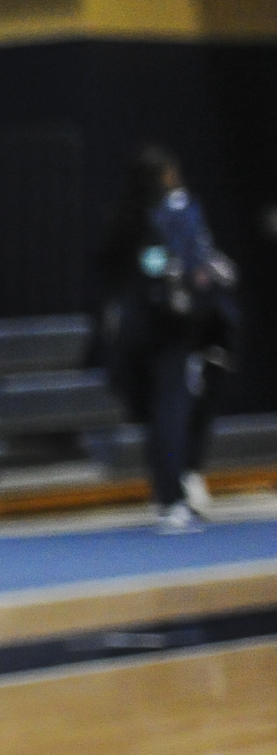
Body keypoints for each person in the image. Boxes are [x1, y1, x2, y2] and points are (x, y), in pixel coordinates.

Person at [97, 146, 239, 534]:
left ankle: (175, 486)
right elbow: (180, 265)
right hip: (168, 330)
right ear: (166, 177)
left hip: (137, 331)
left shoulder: (126, 217)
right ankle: (172, 495)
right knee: (170, 410)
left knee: (162, 412)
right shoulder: (166, 214)